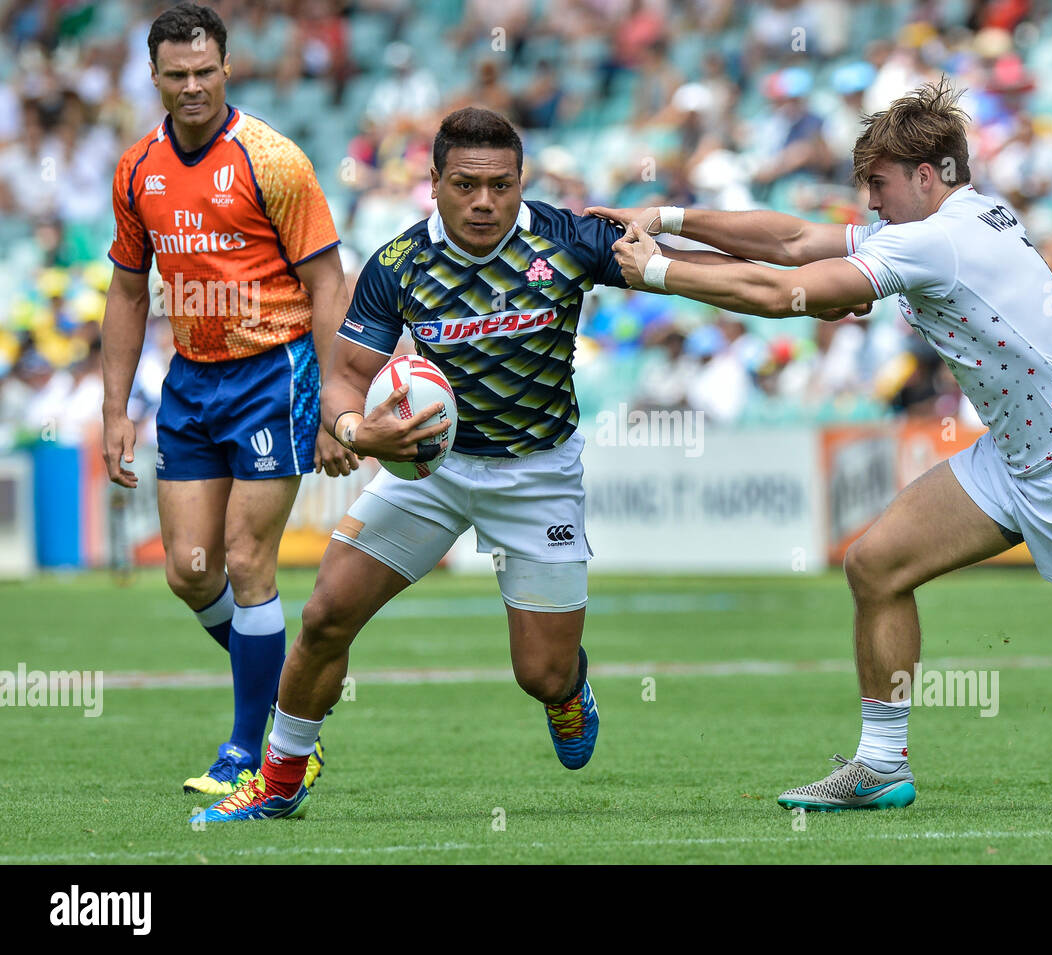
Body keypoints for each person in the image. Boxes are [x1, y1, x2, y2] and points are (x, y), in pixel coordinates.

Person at [593, 79, 1052, 811]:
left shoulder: (937, 240)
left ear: (927, 176)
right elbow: (796, 239)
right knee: (876, 563)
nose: (870, 203)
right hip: (1016, 456)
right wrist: (665, 217)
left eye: (880, 185)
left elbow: (788, 291)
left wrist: (660, 270)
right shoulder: (968, 214)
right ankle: (880, 765)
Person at [190, 107, 737, 822]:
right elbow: (345, 376)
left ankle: (570, 690)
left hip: (538, 473)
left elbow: (688, 275)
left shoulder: (570, 238)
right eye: (466, 184)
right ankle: (280, 777)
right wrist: (358, 429)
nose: (485, 201)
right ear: (434, 182)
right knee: (325, 614)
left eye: (502, 185)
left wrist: (802, 288)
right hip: (431, 471)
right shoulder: (398, 263)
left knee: (539, 673)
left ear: (522, 182)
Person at [102, 3, 357, 796]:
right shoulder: (136, 169)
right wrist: (116, 409)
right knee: (189, 569)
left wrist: (334, 401)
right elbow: (126, 289)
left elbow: (326, 285)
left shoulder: (272, 160)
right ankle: (289, 688)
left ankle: (254, 752)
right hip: (190, 378)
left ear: (227, 69)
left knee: (248, 561)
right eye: (175, 74)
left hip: (270, 375)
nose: (190, 86)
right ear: (153, 77)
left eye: (204, 71)